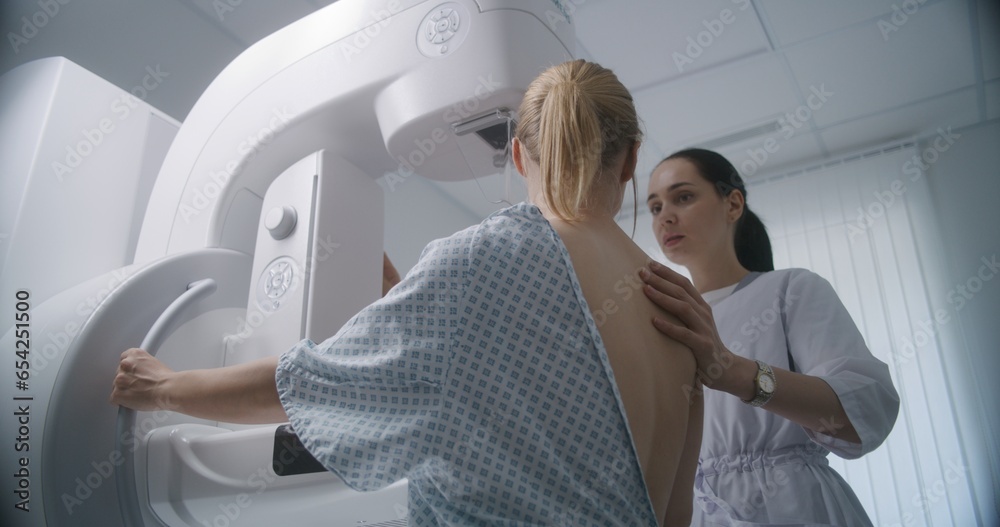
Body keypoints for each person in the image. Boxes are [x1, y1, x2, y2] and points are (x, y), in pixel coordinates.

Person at [112, 60, 703, 526]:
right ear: (630, 161)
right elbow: (673, 511)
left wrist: (164, 388)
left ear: (519, 155)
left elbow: (308, 384)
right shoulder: (679, 305)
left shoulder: (485, 260)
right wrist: (412, 303)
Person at [640, 148, 900, 525]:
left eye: (683, 197)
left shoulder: (791, 289)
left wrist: (734, 372)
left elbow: (865, 413)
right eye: (654, 207)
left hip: (794, 506)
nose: (665, 217)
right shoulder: (660, 322)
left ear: (733, 205)